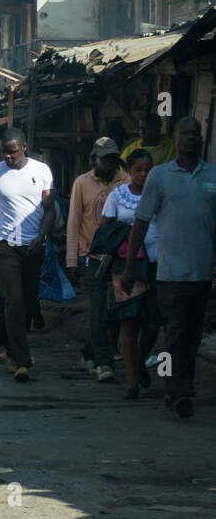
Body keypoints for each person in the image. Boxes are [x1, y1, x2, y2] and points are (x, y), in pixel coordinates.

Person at [122, 117, 216, 419]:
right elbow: (141, 221)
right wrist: (129, 266)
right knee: (175, 332)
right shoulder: (160, 176)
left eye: (195, 134)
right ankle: (178, 393)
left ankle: (178, 388)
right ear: (175, 139)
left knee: (192, 334)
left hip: (202, 272)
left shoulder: (212, 175)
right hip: (170, 274)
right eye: (185, 134)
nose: (191, 138)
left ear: (201, 140)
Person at [0, 128, 54, 383]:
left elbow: (50, 209)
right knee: (15, 299)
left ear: (24, 147)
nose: (8, 158)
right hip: (5, 244)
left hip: (34, 244)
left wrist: (42, 236)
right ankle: (22, 361)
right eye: (4, 153)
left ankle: (11, 349)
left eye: (12, 152)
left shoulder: (41, 171)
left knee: (30, 302)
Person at [100, 150, 160, 400]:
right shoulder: (117, 196)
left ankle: (139, 361)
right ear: (129, 171)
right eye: (138, 170)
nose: (144, 175)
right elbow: (105, 231)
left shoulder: (159, 195)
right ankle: (133, 384)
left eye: (148, 170)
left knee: (154, 323)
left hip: (157, 263)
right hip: (126, 265)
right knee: (129, 322)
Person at [65, 136, 124, 383]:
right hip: (91, 255)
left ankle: (90, 351)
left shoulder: (126, 181)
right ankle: (103, 363)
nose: (110, 164)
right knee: (99, 307)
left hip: (119, 256)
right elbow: (74, 221)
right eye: (105, 159)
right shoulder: (82, 183)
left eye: (113, 159)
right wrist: (71, 261)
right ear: (94, 160)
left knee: (116, 310)